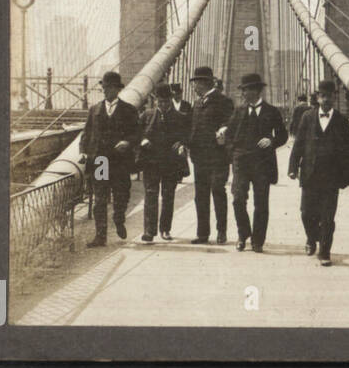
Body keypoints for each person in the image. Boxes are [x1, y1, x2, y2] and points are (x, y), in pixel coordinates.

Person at [288, 80, 349, 266]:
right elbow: (299, 144)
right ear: (317, 98)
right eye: (323, 96)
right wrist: (293, 167)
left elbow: (347, 150)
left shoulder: (341, 121)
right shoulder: (307, 117)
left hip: (331, 176)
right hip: (310, 174)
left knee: (327, 216)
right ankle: (312, 238)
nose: (326, 99)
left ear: (335, 98)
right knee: (305, 213)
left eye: (330, 96)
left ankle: (325, 252)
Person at [225, 73, 289, 252]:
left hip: (262, 163)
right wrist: (233, 153)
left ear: (256, 91)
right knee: (238, 199)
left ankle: (257, 241)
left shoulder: (272, 111)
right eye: (243, 90)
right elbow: (229, 135)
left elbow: (283, 135)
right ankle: (243, 234)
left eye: (245, 90)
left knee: (261, 204)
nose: (243, 93)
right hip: (241, 162)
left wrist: (272, 141)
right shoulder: (238, 111)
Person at [78, 71, 141, 247]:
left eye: (107, 88)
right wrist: (83, 151)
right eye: (103, 87)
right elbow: (86, 134)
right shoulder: (94, 110)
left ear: (116, 89)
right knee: (99, 199)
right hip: (100, 161)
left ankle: (119, 218)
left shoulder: (129, 110)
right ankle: (100, 235)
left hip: (120, 161)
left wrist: (127, 142)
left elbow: (137, 133)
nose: (104, 91)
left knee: (121, 195)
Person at [136, 83, 190, 242]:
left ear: (171, 100)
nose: (163, 105)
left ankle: (165, 229)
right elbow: (135, 132)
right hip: (151, 162)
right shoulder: (146, 115)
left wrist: (182, 143)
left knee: (168, 196)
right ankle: (149, 231)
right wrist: (143, 140)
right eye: (160, 102)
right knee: (150, 195)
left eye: (166, 102)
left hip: (170, 163)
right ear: (156, 101)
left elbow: (188, 134)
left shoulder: (180, 117)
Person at [187, 66, 234, 244]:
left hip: (218, 156)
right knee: (201, 195)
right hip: (199, 157)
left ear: (203, 83)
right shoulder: (198, 103)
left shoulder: (223, 101)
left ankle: (221, 231)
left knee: (217, 190)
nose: (194, 86)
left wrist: (224, 129)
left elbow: (230, 120)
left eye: (196, 83)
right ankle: (202, 234)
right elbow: (193, 128)